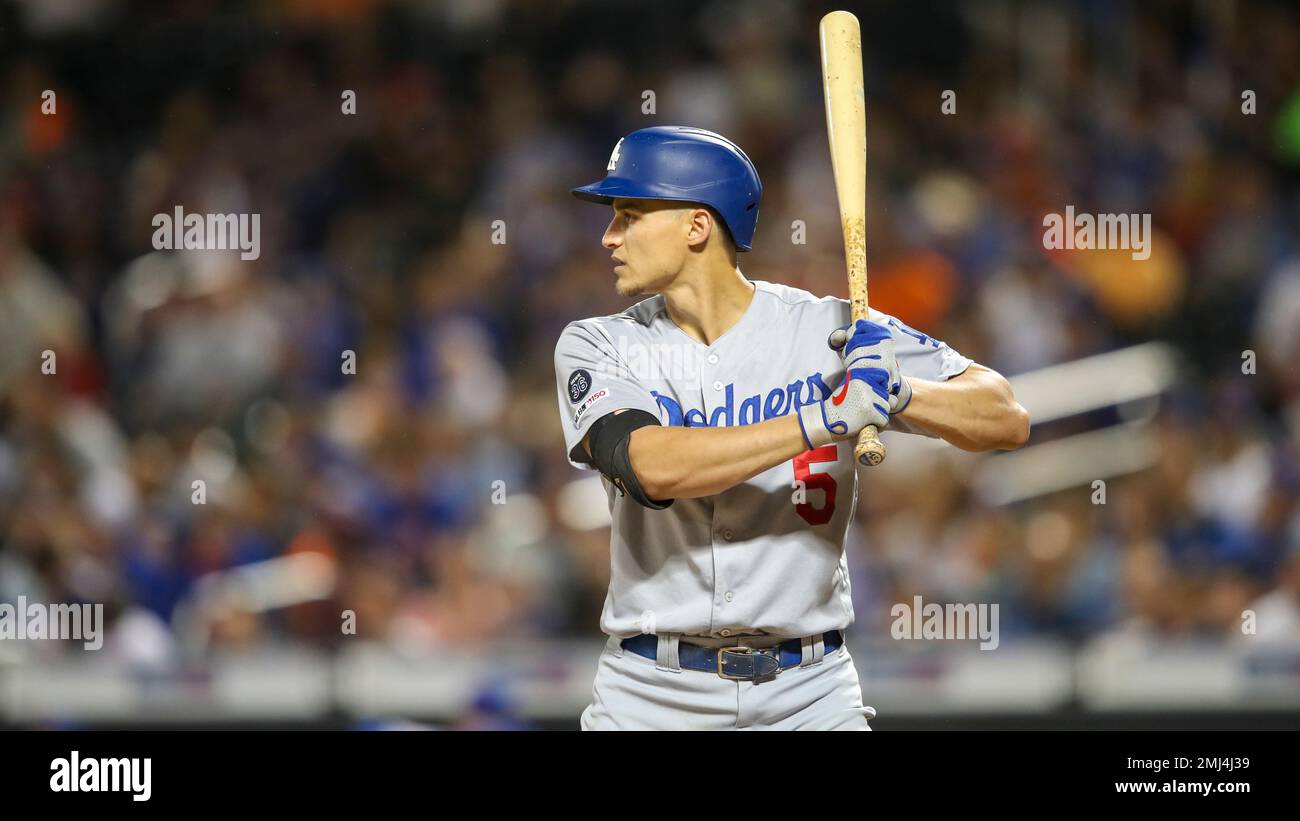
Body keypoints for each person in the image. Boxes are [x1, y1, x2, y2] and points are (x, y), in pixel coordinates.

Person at [554, 126, 1029, 730]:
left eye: (629, 215)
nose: (609, 236)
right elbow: (652, 466)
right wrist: (824, 418)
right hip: (652, 694)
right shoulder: (600, 343)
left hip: (809, 693)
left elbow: (1005, 417)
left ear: (696, 226)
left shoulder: (825, 328)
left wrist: (900, 392)